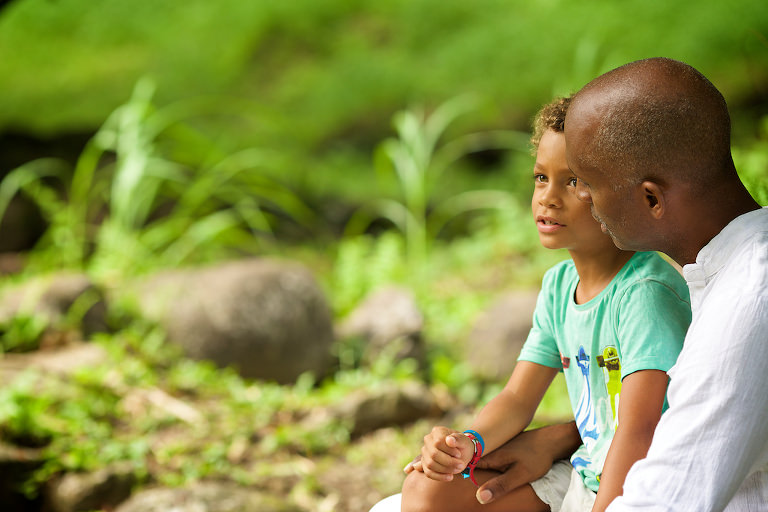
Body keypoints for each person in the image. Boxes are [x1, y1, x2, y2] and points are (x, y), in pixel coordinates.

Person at [369, 95, 692, 512]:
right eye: (541, 178)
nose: (548, 197)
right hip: (584, 472)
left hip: (640, 487)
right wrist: (467, 444)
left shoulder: (645, 291)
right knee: (423, 490)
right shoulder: (559, 286)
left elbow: (640, 429)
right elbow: (518, 399)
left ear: (627, 190)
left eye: (574, 181)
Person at [562, 57, 768, 511]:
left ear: (651, 198)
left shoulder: (748, 302)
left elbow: (665, 502)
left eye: (589, 183)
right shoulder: (735, 268)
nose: (580, 198)